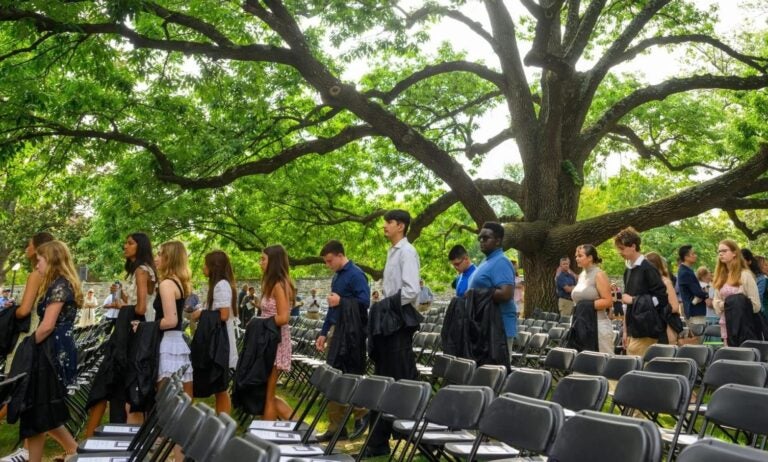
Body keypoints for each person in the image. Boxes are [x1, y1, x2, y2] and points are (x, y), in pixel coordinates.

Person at [85, 233, 156, 436]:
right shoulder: (136, 272)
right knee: (112, 382)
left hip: (134, 331)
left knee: (114, 381)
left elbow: (141, 308)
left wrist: (123, 306)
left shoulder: (142, 271)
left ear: (140, 246)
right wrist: (121, 298)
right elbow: (133, 303)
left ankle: (97, 437)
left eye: (130, 243)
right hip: (129, 327)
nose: (125, 246)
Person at [17, 240, 80, 462]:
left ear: (51, 261)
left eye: (40, 260)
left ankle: (72, 451)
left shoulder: (60, 286)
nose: (37, 266)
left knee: (39, 408)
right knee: (41, 411)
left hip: (52, 352)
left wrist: (27, 346)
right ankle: (74, 451)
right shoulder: (58, 284)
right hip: (54, 349)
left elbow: (47, 326)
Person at [365, 209, 421, 458]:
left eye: (388, 222)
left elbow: (410, 291)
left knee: (399, 380)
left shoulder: (407, 252)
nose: (384, 226)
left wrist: (386, 305)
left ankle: (415, 434)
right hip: (388, 322)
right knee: (384, 378)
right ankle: (378, 440)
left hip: (397, 323)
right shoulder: (393, 252)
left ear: (400, 226)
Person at [0, 232, 54, 462]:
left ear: (38, 248)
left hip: (29, 336)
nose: (25, 249)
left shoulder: (36, 275)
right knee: (31, 397)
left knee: (13, 390)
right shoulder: (52, 275)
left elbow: (24, 311)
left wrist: (11, 310)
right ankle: (35, 449)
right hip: (42, 338)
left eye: (28, 245)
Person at [314, 240, 370, 442]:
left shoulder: (356, 275)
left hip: (353, 334)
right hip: (337, 333)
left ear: (339, 255)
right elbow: (332, 308)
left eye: (329, 261)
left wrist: (342, 301)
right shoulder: (337, 277)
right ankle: (336, 428)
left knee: (351, 375)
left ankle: (362, 415)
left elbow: (365, 303)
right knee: (334, 376)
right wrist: (323, 331)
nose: (328, 265)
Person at [191, 250, 238, 413]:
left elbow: (223, 315)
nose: (203, 267)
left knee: (221, 386)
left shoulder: (221, 285)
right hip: (218, 338)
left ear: (214, 266)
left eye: (205, 264)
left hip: (220, 341)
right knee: (220, 388)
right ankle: (221, 421)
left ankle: (223, 424)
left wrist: (201, 314)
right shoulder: (218, 285)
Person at [614, 227, 667, 357]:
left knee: (639, 371)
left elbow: (661, 299)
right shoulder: (628, 270)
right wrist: (625, 332)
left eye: (622, 248)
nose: (619, 252)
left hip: (647, 330)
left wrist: (634, 300)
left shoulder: (648, 268)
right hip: (633, 331)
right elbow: (627, 306)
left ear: (633, 246)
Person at [468, 222, 516, 351]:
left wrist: (475, 293)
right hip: (485, 325)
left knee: (495, 370)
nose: (481, 241)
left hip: (499, 328)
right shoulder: (487, 260)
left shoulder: (501, 261)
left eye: (486, 238)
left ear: (498, 241)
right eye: (480, 238)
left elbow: (506, 294)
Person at [259, 245, 294, 420]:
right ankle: (298, 425)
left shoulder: (279, 285)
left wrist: (260, 322)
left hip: (276, 340)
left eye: (263, 259)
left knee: (269, 393)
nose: (260, 263)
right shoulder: (271, 284)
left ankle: (268, 434)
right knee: (267, 392)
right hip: (268, 338)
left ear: (273, 261)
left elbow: (283, 317)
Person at [712, 240, 761, 345]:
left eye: (724, 251)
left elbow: (756, 305)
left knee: (744, 356)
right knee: (730, 357)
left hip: (744, 326)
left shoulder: (745, 275)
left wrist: (736, 304)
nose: (721, 254)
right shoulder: (720, 277)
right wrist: (728, 304)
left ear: (734, 253)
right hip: (726, 323)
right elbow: (715, 302)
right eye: (719, 251)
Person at [571, 244, 614, 353]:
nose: (576, 258)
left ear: (590, 258)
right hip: (581, 324)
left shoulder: (599, 274)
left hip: (598, 325)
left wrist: (585, 306)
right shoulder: (581, 275)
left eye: (580, 256)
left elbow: (608, 301)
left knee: (603, 363)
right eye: (576, 256)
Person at [646, 252, 682, 345]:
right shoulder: (644, 283)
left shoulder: (666, 282)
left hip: (665, 326)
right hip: (649, 328)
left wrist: (653, 308)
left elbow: (674, 307)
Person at [677, 245, 710, 327]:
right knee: (697, 338)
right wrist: (706, 294)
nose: (696, 255)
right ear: (686, 257)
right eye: (693, 254)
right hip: (694, 311)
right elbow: (697, 292)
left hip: (694, 310)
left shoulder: (687, 270)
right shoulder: (685, 272)